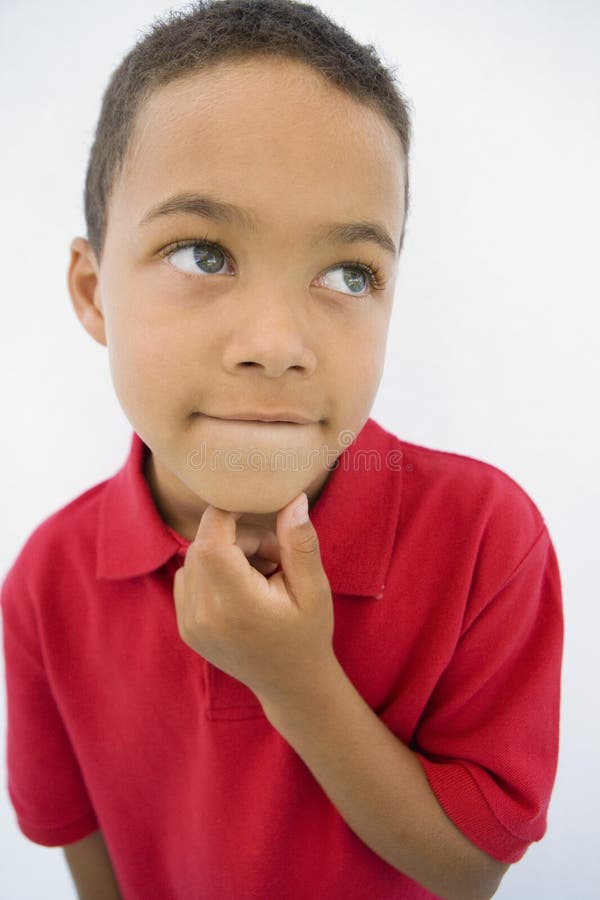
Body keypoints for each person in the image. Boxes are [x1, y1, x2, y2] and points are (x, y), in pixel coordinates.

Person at [0, 1, 563, 898]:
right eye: (202, 253)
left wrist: (294, 680)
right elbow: (84, 848)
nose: (278, 341)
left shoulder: (488, 539)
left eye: (350, 274)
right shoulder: (44, 582)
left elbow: (473, 871)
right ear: (92, 292)